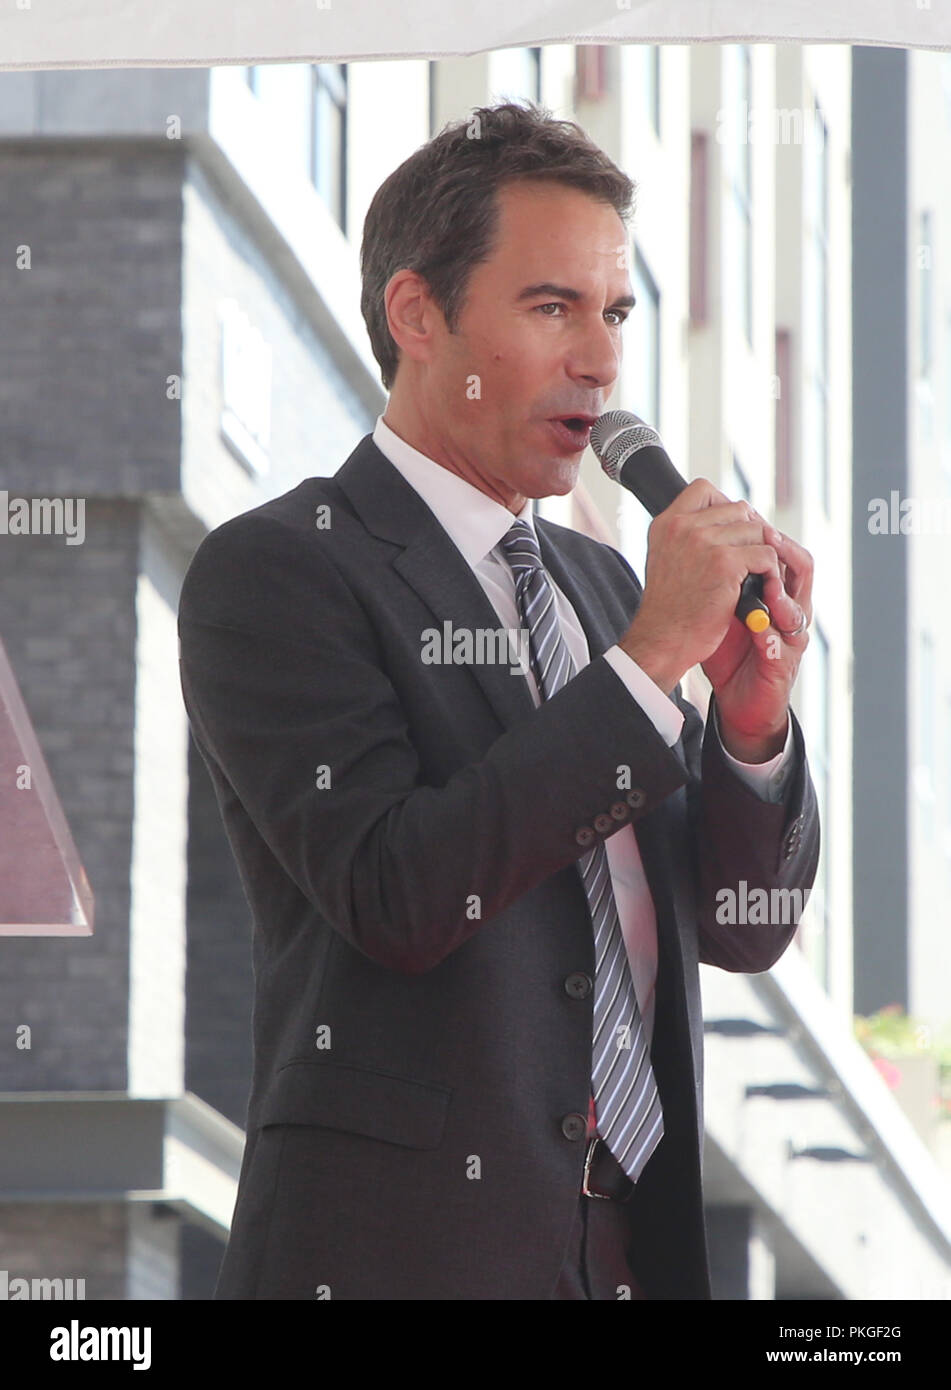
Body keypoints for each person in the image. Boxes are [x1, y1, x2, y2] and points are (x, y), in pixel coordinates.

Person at [177, 101, 819, 1300]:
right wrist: (639, 673)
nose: (603, 360)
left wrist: (751, 728)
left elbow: (743, 926)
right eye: (551, 307)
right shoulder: (282, 568)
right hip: (401, 1258)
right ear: (417, 313)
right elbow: (398, 889)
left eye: (614, 312)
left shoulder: (608, 586)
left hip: (631, 1257)